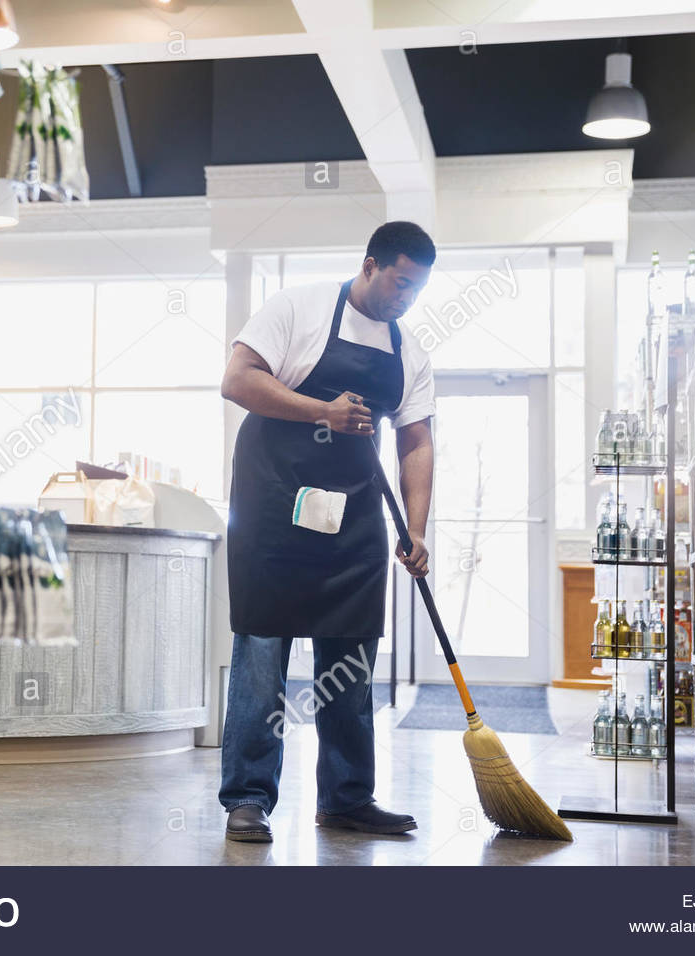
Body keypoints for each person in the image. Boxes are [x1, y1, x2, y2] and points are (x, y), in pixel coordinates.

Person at [218, 221, 437, 843]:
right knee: (263, 652)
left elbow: (417, 440)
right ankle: (248, 798)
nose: (406, 298)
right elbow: (237, 380)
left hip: (355, 517)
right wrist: (323, 411)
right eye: (400, 283)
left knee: (351, 655)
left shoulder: (410, 352)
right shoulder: (300, 309)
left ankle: (347, 797)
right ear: (369, 265)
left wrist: (416, 530)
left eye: (418, 290)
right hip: (273, 507)